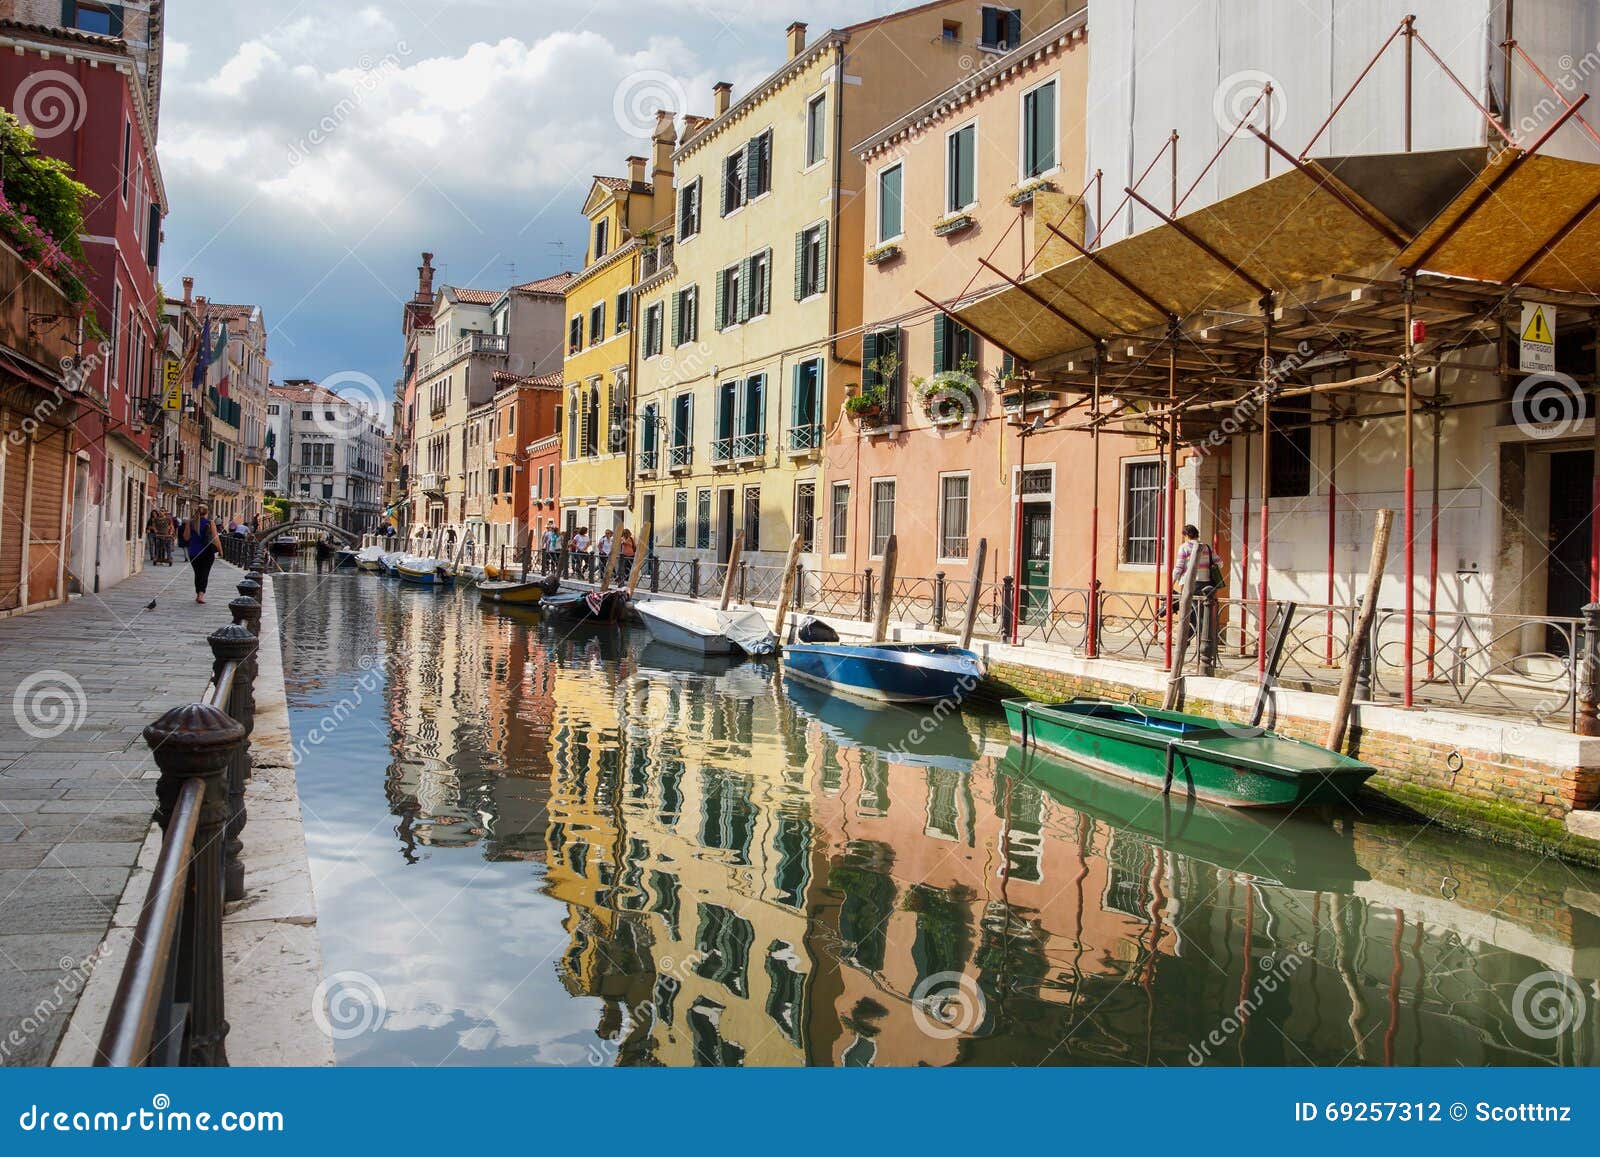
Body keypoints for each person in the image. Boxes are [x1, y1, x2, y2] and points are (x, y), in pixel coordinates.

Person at [179, 505, 223, 603]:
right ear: (207, 513)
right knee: (204, 573)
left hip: (193, 552)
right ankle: (201, 594)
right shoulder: (210, 523)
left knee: (198, 574)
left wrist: (187, 525)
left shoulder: (190, 523)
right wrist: (220, 550)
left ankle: (198, 593)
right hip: (207, 552)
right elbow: (216, 538)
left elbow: (186, 538)